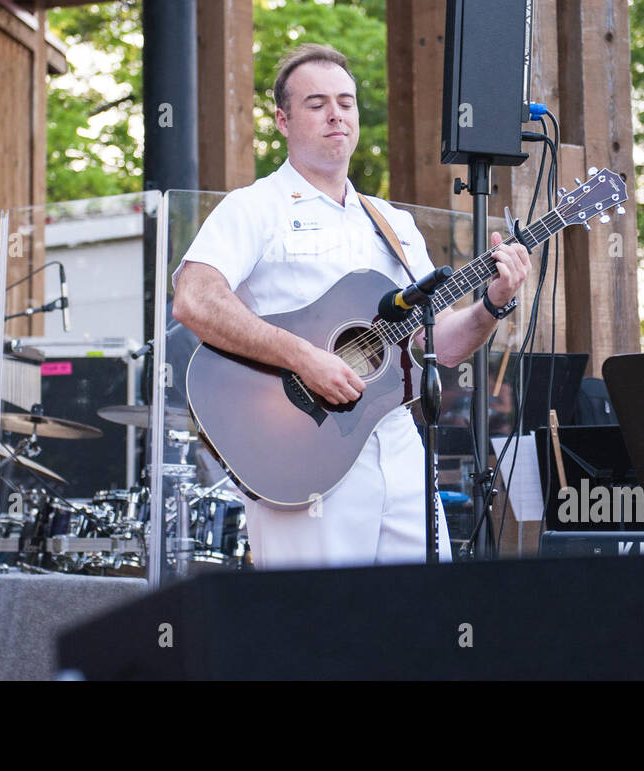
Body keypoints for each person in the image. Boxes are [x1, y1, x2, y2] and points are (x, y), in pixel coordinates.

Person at [171, 43, 531, 569]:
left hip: (397, 443)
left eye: (346, 102)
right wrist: (303, 357)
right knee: (318, 615)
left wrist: (493, 304)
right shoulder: (253, 207)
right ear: (283, 120)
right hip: (299, 446)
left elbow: (440, 344)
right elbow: (194, 300)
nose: (336, 114)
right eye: (316, 104)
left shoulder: (391, 223)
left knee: (425, 610)